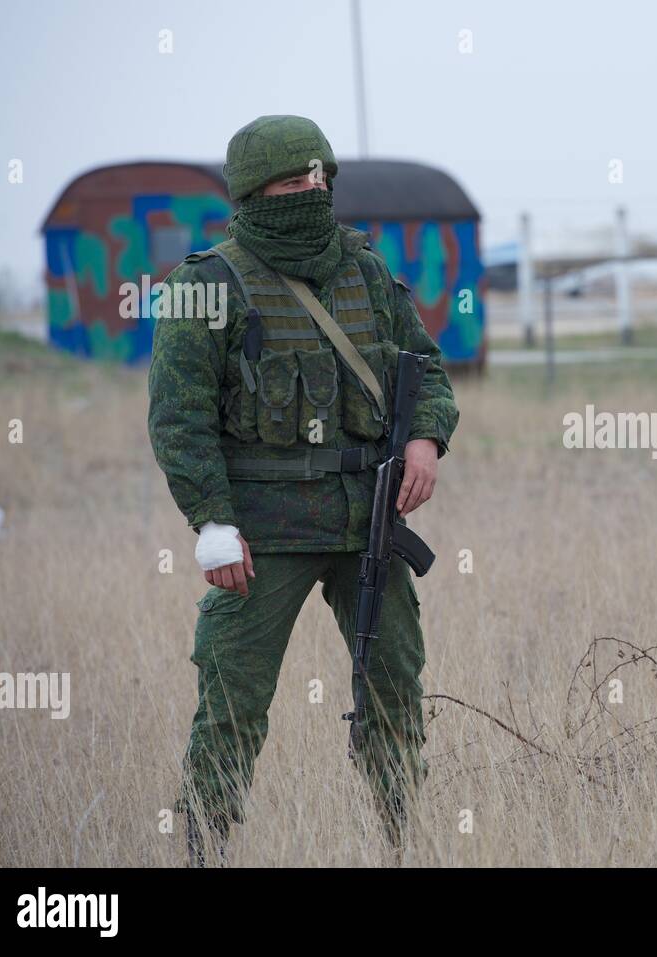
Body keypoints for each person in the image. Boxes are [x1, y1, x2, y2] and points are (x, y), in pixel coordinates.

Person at [147, 115, 458, 865]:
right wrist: (211, 522)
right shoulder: (204, 286)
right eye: (294, 182)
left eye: (321, 179)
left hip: (366, 524)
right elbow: (178, 416)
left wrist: (425, 436)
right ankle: (204, 845)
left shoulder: (368, 273)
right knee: (232, 700)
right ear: (256, 194)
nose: (311, 192)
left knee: (394, 689)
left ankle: (398, 839)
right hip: (263, 532)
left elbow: (428, 368)